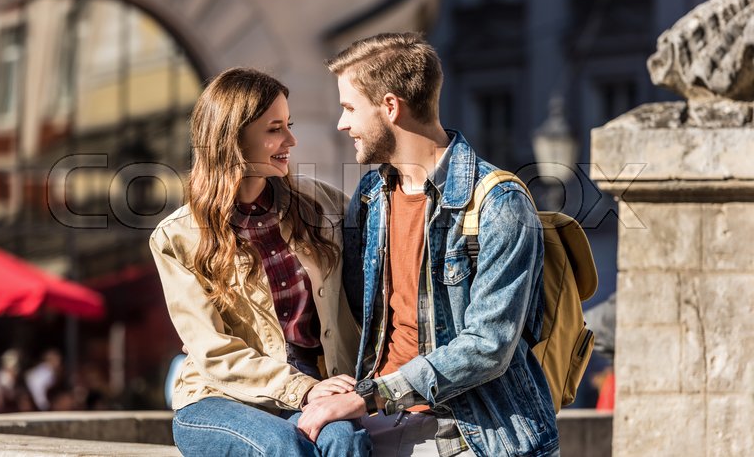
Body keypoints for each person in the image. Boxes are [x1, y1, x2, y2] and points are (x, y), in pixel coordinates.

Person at [297, 33, 560, 456]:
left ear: (390, 106)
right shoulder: (370, 198)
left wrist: (370, 396)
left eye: (349, 108)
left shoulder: (499, 203)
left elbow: (489, 345)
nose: (342, 124)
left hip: (468, 431)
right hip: (381, 418)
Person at [149, 68, 370, 457]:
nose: (291, 140)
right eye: (274, 129)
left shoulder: (324, 206)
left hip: (314, 386)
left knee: (345, 441)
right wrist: (302, 389)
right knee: (283, 447)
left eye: (289, 125)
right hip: (217, 399)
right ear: (234, 138)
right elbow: (214, 351)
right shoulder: (177, 236)